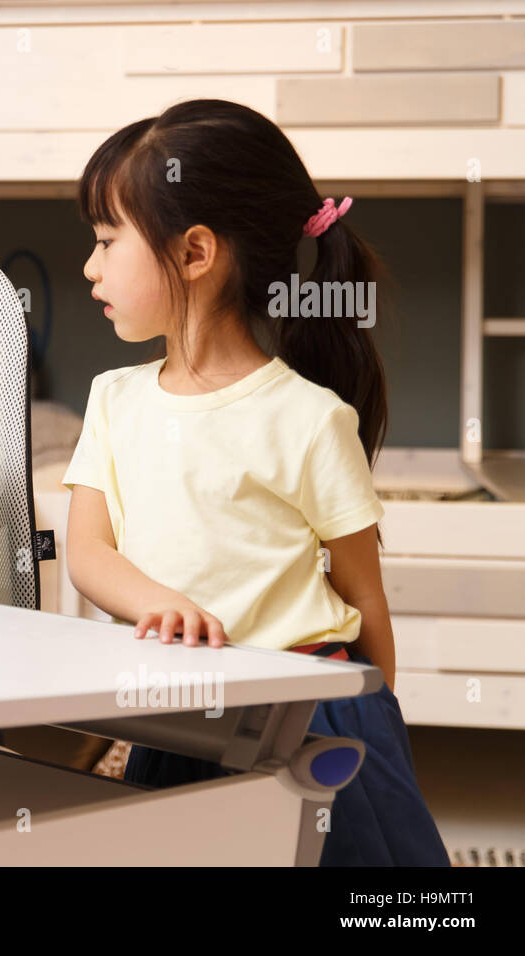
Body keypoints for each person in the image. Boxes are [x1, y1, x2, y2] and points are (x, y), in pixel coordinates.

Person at [62, 99, 449, 866]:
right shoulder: (115, 398)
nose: (90, 265)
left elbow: (364, 597)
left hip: (311, 715)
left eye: (107, 241)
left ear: (195, 252)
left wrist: (380, 730)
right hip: (181, 715)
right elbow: (88, 552)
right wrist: (162, 605)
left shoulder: (309, 418)